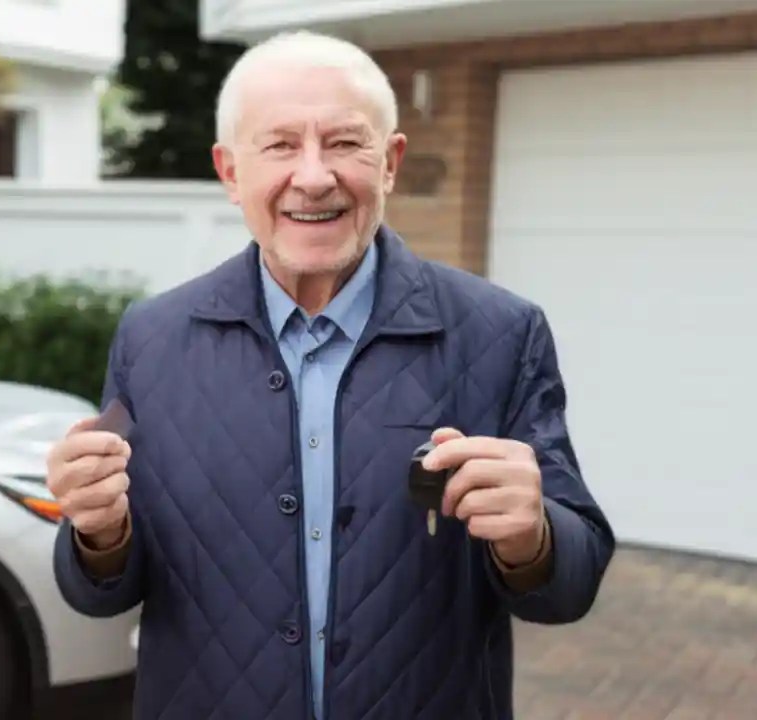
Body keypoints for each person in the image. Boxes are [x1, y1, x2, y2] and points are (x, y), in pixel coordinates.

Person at [46, 30, 614, 720]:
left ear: (391, 162)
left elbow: (571, 586)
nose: (313, 176)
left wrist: (534, 540)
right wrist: (98, 536)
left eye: (344, 142)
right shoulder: (153, 337)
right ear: (230, 172)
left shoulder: (499, 333)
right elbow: (102, 592)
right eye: (280, 145)